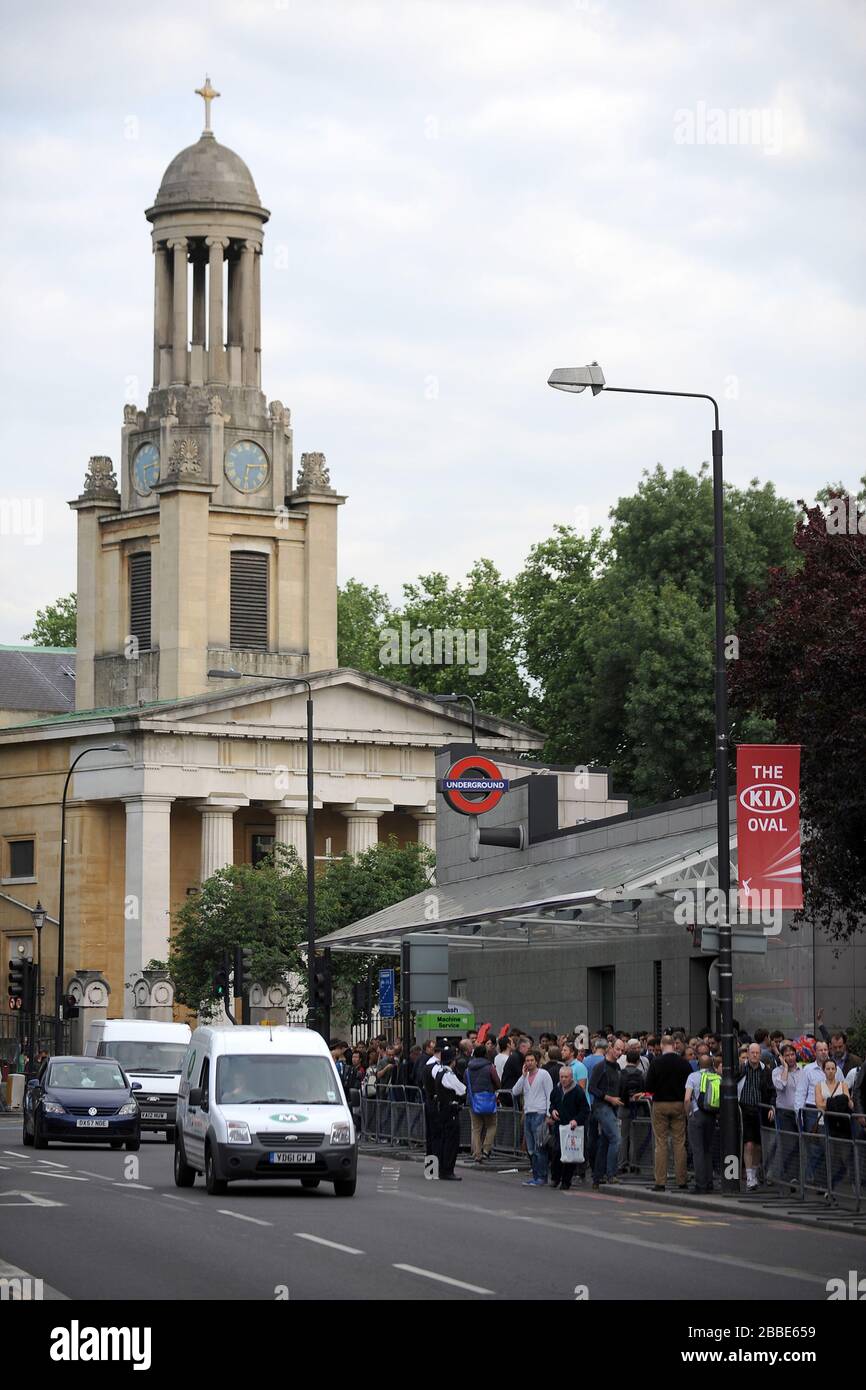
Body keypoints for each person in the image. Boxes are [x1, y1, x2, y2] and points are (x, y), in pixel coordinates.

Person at [645, 1035, 692, 1192]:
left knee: (661, 1143)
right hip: (679, 1104)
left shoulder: (656, 1062)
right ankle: (682, 1180)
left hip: (660, 1104)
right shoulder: (684, 1063)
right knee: (679, 1142)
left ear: (661, 1045)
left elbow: (649, 1086)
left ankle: (660, 1182)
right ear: (674, 1045)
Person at [511, 1050, 553, 1186]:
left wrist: (548, 1113)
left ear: (537, 1061)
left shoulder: (544, 1074)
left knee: (540, 1147)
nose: (529, 1063)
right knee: (530, 1148)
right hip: (528, 1113)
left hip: (540, 1113)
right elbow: (515, 1091)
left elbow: (549, 1094)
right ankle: (535, 1176)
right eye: (527, 1061)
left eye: (531, 1060)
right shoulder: (525, 1076)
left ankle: (542, 1176)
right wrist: (523, 1076)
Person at [737, 1042, 775, 1190]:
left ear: (760, 1054)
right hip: (744, 1110)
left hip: (760, 1110)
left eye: (757, 1053)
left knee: (759, 1146)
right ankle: (750, 1177)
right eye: (752, 1053)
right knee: (748, 1144)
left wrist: (771, 1107)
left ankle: (754, 1170)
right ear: (748, 1052)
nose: (754, 1055)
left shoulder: (766, 1071)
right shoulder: (741, 1068)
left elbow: (772, 1092)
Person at [588, 1041, 624, 1190]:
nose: (620, 1052)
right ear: (610, 1048)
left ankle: (598, 1177)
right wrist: (609, 1098)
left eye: (622, 1050)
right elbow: (591, 1088)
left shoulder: (617, 1067)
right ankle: (611, 1174)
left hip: (611, 1106)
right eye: (617, 1049)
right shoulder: (600, 1067)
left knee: (605, 1141)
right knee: (615, 1138)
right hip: (602, 1106)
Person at [816, 1057, 854, 1192]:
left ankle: (851, 1183)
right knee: (829, 1153)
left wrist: (830, 1104)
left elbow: (848, 1102)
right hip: (824, 1123)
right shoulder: (819, 1085)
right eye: (828, 1069)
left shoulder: (843, 1084)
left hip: (841, 1124)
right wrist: (837, 1103)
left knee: (845, 1154)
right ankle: (827, 1185)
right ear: (823, 1070)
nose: (831, 1071)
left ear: (836, 1070)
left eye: (833, 1069)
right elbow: (819, 1105)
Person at [548, 1065, 589, 1189]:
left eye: (566, 1077)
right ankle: (555, 1178)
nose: (564, 1079)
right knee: (556, 1152)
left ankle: (566, 1181)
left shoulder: (578, 1091)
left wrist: (576, 1120)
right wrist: (552, 1111)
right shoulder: (556, 1090)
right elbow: (552, 1104)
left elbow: (585, 1110)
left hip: (572, 1128)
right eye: (561, 1077)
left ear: (571, 1077)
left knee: (570, 1156)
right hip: (559, 1127)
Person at [429, 1046, 466, 1180]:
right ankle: (447, 1170)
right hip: (451, 1111)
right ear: (453, 1061)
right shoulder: (449, 1074)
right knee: (451, 1141)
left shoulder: (439, 1072)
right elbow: (461, 1090)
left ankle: (442, 1169)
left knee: (445, 1140)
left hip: (443, 1110)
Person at [684, 1051, 718, 1193]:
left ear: (698, 1064)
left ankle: (700, 1185)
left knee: (697, 1151)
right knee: (708, 1150)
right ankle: (710, 1183)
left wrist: (689, 1114)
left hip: (697, 1115)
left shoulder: (693, 1076)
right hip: (711, 1115)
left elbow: (687, 1099)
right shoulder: (717, 1077)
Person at [465, 1044, 499, 1163]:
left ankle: (477, 1153)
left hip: (473, 1100)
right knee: (492, 1125)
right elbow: (497, 1082)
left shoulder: (468, 1068)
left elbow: (466, 1083)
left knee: (476, 1128)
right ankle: (486, 1149)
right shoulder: (490, 1067)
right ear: (485, 1054)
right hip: (487, 1099)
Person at [618, 1047, 647, 1174]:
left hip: (623, 1107)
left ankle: (622, 1163)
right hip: (637, 1108)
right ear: (637, 1061)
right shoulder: (641, 1074)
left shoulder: (620, 1074)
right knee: (635, 1137)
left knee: (623, 1137)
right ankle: (635, 1163)